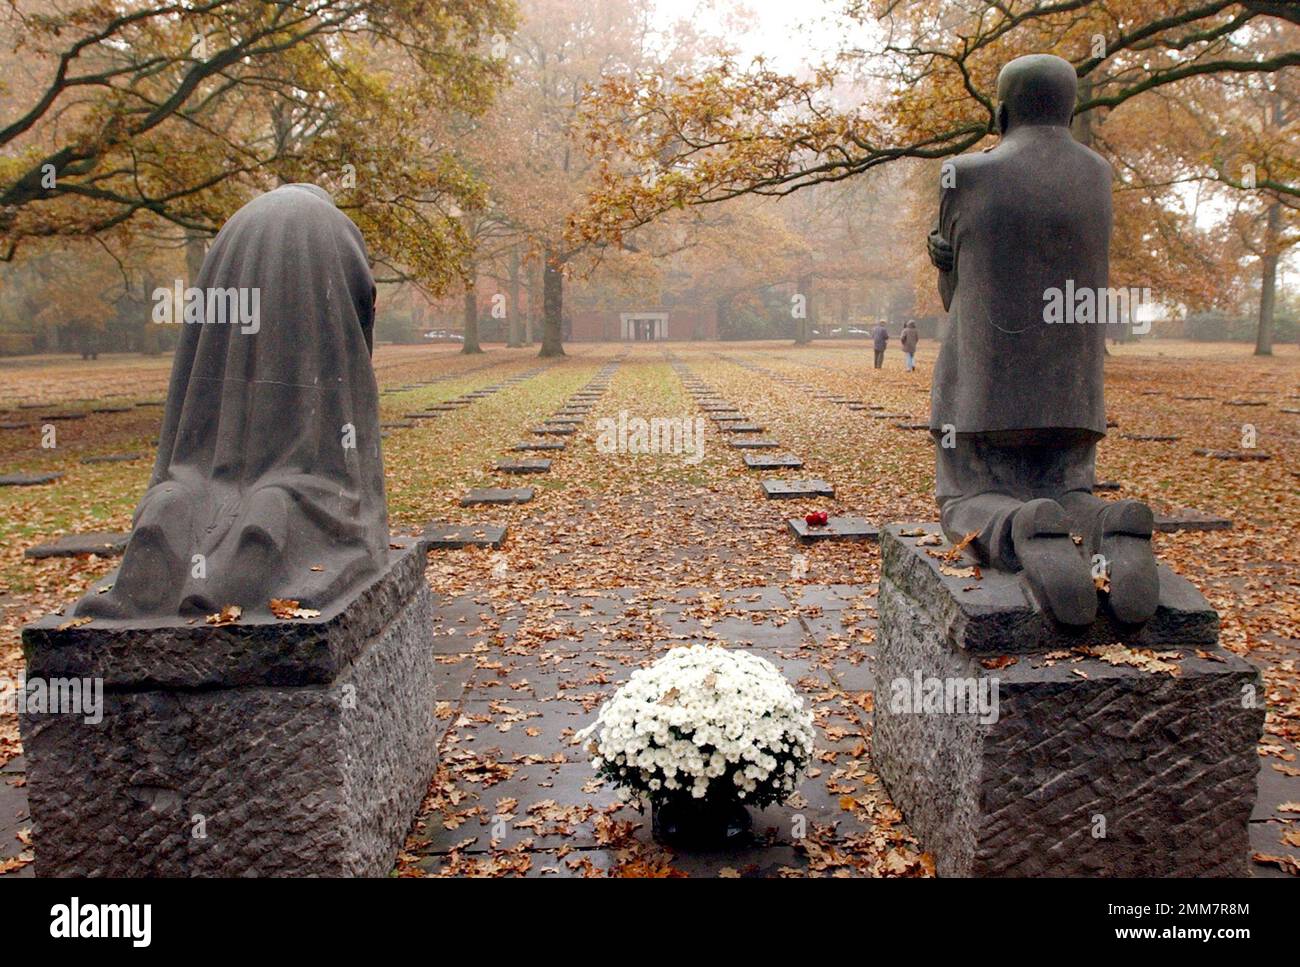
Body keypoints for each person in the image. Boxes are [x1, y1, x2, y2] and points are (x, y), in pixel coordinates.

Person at [77, 184, 389, 619]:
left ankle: (178, 502)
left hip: (229, 329)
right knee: (313, 475)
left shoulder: (235, 230)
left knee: (204, 473)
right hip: (306, 325)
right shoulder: (331, 228)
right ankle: (280, 510)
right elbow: (360, 303)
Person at [925, 54, 1158, 627]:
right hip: (1074, 398)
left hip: (983, 397)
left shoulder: (966, 173)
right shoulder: (1097, 173)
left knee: (962, 497)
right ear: (1070, 109)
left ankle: (1016, 528)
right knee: (1070, 489)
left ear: (1002, 114)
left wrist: (943, 258)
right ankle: (1104, 522)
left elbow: (952, 294)